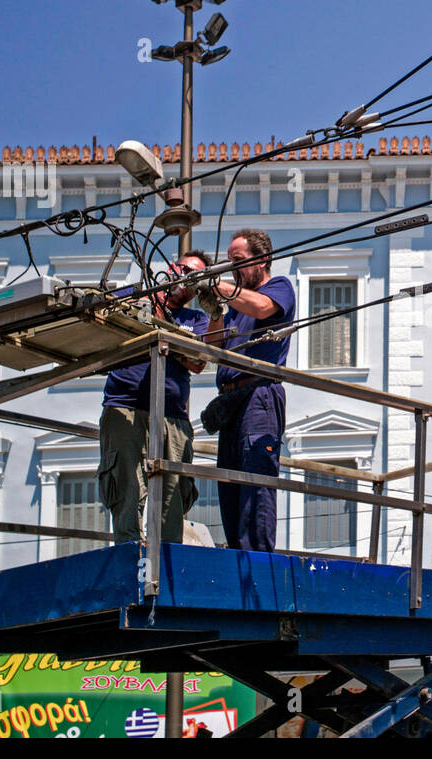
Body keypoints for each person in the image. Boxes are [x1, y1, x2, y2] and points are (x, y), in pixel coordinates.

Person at [97, 250, 210, 544]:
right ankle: (129, 556)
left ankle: (168, 561)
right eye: (184, 270)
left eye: (195, 279)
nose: (186, 280)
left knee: (173, 495)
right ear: (171, 267)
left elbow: (197, 360)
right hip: (125, 408)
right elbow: (105, 328)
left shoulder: (195, 318)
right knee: (125, 488)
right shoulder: (133, 296)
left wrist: (160, 325)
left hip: (172, 416)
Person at [199, 229, 295, 552]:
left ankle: (259, 564)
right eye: (229, 262)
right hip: (231, 402)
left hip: (258, 396)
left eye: (238, 261)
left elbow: (263, 308)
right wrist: (215, 311)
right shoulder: (236, 306)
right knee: (230, 489)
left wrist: (220, 288)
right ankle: (240, 555)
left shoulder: (278, 288)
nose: (233, 268)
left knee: (256, 488)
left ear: (262, 258)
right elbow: (212, 348)